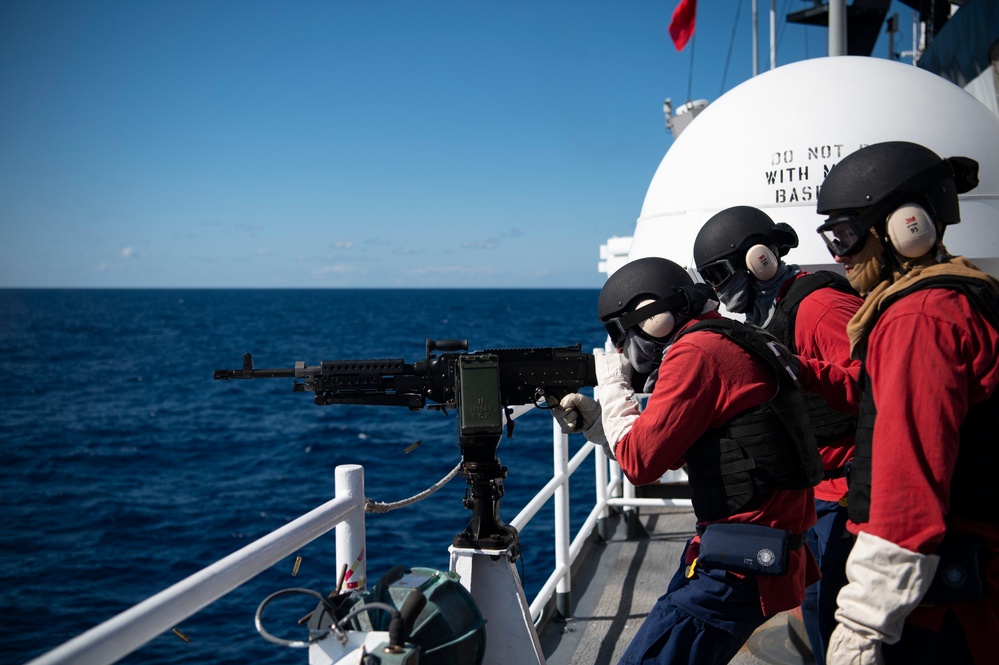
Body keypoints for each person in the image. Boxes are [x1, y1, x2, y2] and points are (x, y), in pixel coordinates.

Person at [558, 256, 821, 665]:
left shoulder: (696, 353)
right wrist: (599, 426)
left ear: (653, 317)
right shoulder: (725, 338)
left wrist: (612, 385)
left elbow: (640, 464)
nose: (619, 347)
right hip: (751, 547)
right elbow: (670, 451)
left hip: (742, 562)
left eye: (619, 332)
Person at [799, 140, 999, 665]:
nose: (839, 256)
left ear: (905, 227)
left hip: (948, 603)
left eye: (845, 236)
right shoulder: (964, 294)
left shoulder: (918, 319)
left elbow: (909, 483)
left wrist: (864, 622)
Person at [692, 205, 864, 665]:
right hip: (818, 490)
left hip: (846, 489)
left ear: (759, 259)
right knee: (817, 605)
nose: (718, 288)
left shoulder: (819, 307)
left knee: (836, 610)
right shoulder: (773, 315)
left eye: (720, 273)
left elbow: (878, 384)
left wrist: (804, 372)